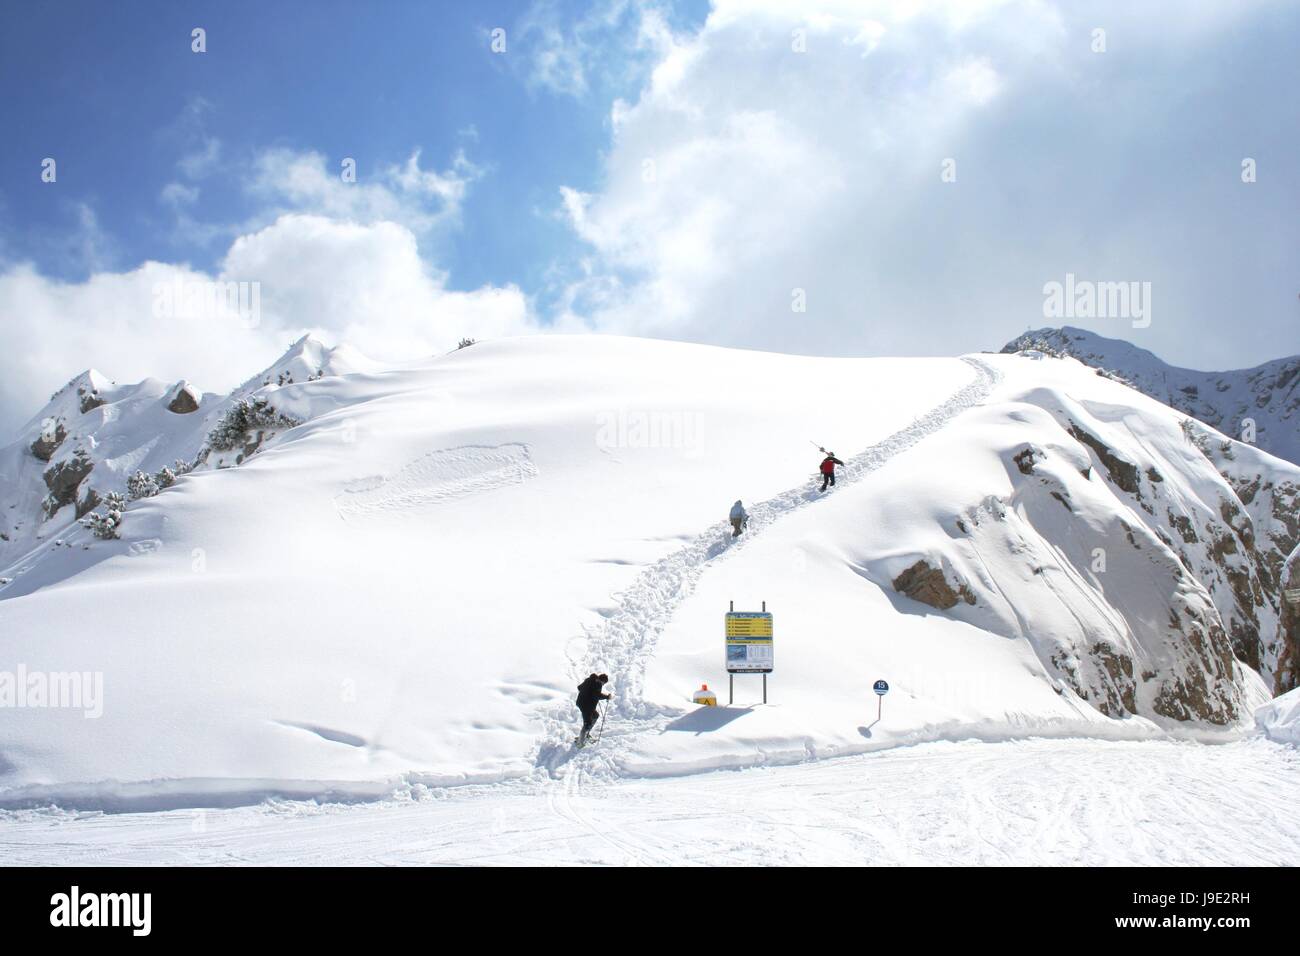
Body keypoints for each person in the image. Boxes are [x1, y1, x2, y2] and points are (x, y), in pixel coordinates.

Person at [575, 673, 611, 746]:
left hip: (581, 703)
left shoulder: (589, 680)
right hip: (586, 706)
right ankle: (580, 742)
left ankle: (585, 735)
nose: (603, 684)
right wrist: (607, 697)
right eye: (604, 683)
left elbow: (579, 687)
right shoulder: (598, 684)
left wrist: (588, 693)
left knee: (595, 715)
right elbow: (596, 695)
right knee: (587, 723)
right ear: (602, 681)